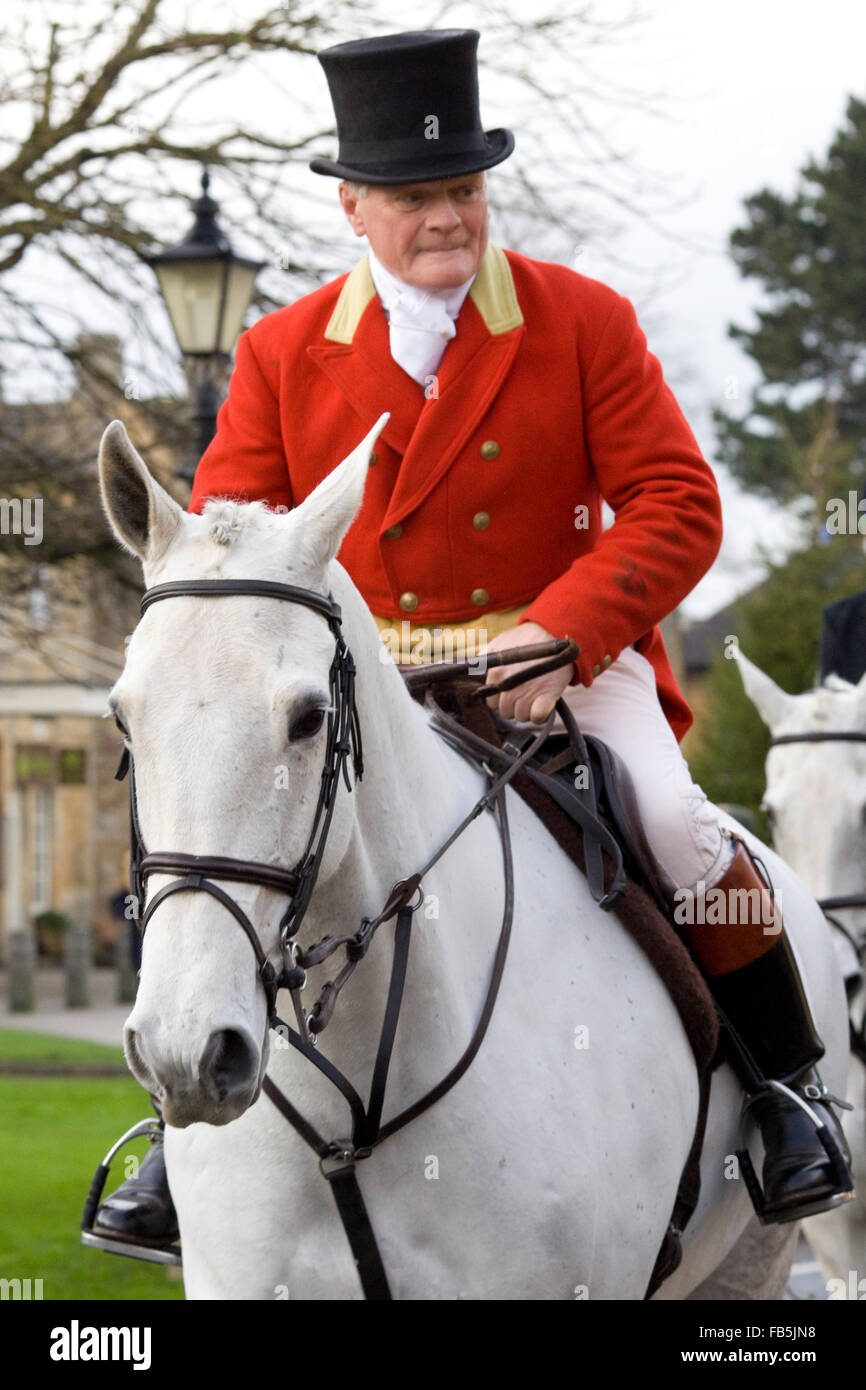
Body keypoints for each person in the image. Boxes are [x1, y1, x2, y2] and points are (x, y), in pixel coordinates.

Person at [91, 28, 853, 1258]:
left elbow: (678, 502)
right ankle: (186, 1142)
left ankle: (784, 1092)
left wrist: (568, 625)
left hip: (560, 671)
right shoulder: (281, 351)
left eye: (462, 189)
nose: (445, 217)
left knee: (678, 829)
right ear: (354, 205)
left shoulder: (580, 319)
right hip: (359, 685)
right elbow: (229, 539)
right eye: (411, 196)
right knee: (226, 829)